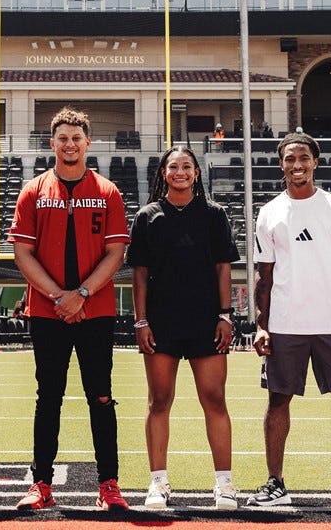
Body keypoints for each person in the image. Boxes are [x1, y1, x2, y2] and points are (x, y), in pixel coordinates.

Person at [248, 131, 331, 510]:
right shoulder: (270, 212)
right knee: (278, 402)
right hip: (285, 325)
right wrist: (262, 324)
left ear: (315, 162)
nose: (297, 165)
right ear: (281, 164)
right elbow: (265, 275)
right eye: (290, 159)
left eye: (303, 158)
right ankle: (275, 483)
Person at [9, 107, 130, 511]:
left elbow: (116, 253)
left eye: (76, 138)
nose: (69, 144)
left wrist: (81, 293)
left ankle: (109, 484)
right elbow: (22, 253)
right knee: (49, 398)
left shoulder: (108, 190)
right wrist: (60, 297)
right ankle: (41, 483)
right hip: (48, 313)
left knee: (101, 397)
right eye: (62, 138)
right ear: (52, 143)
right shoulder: (33, 190)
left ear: (88, 143)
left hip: (96, 311)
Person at [128, 144, 239, 510]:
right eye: (172, 166)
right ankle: (158, 482)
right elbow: (139, 275)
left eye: (186, 166)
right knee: (159, 400)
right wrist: (141, 320)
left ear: (196, 173)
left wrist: (225, 315)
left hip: (206, 320)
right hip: (162, 322)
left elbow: (224, 267)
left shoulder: (213, 214)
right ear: (163, 173)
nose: (179, 171)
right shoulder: (148, 216)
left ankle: (224, 483)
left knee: (214, 399)